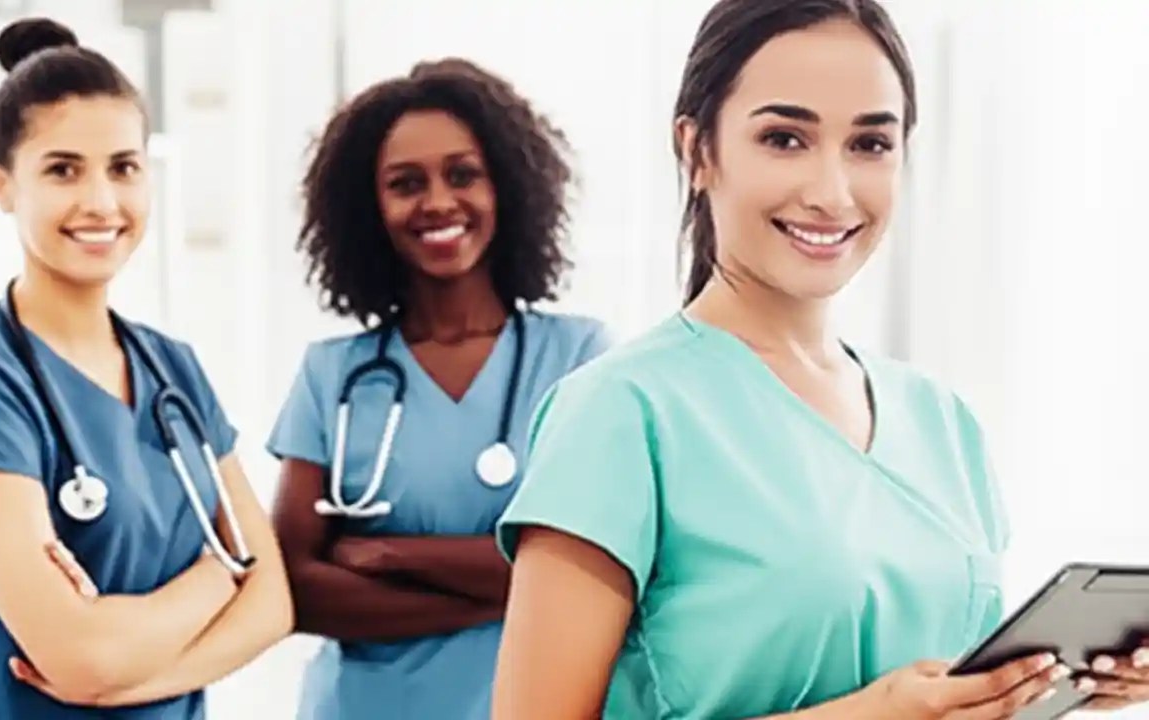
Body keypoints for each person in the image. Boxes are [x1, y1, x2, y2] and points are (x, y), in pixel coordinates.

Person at [490, 1, 1149, 718]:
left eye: (870, 144)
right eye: (784, 138)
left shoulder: (941, 419)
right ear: (697, 151)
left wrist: (1048, 686)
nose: (832, 193)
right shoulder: (619, 411)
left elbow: (942, 693)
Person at [0, 18, 292, 719]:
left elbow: (274, 605)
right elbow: (81, 657)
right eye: (62, 169)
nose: (101, 202)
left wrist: (128, 680)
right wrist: (222, 572)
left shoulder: (172, 370)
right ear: (1, 184)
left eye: (123, 167)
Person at [268, 58, 610, 719]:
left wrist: (390, 552)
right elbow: (296, 591)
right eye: (405, 183)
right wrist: (509, 587)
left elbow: (590, 565)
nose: (437, 203)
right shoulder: (332, 375)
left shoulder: (578, 357)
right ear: (369, 208)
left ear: (504, 185)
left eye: (462, 175)